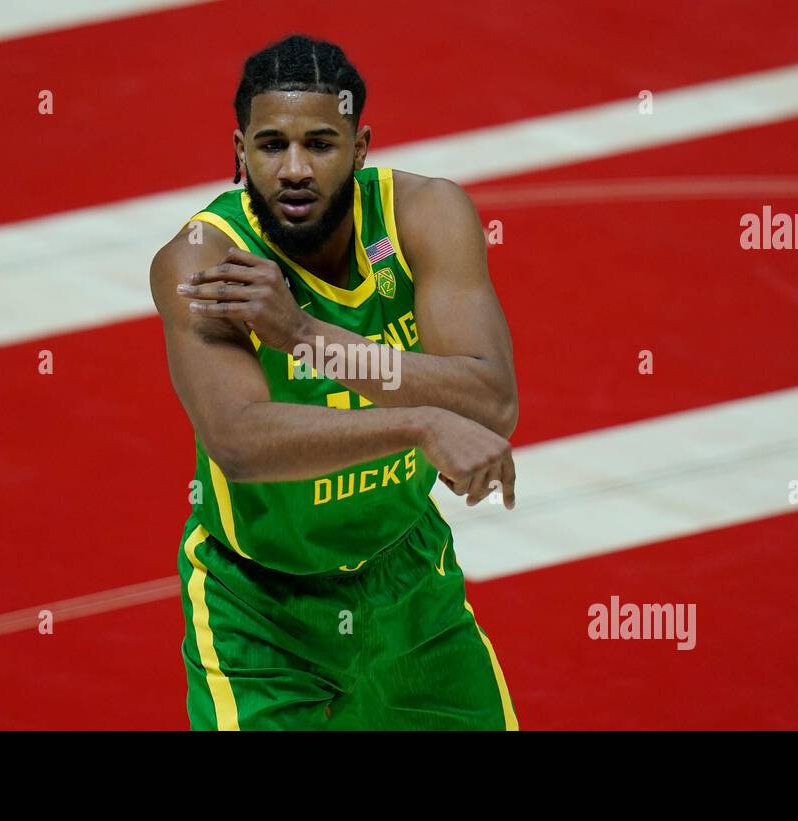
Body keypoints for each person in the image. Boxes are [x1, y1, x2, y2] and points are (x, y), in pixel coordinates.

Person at [149, 33, 520, 729]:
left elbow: (491, 399)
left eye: (320, 143)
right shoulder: (203, 260)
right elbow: (241, 440)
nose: (294, 169)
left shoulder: (426, 216)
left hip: (412, 584)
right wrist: (421, 419)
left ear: (361, 146)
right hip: (261, 612)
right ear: (239, 154)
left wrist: (305, 337)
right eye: (270, 145)